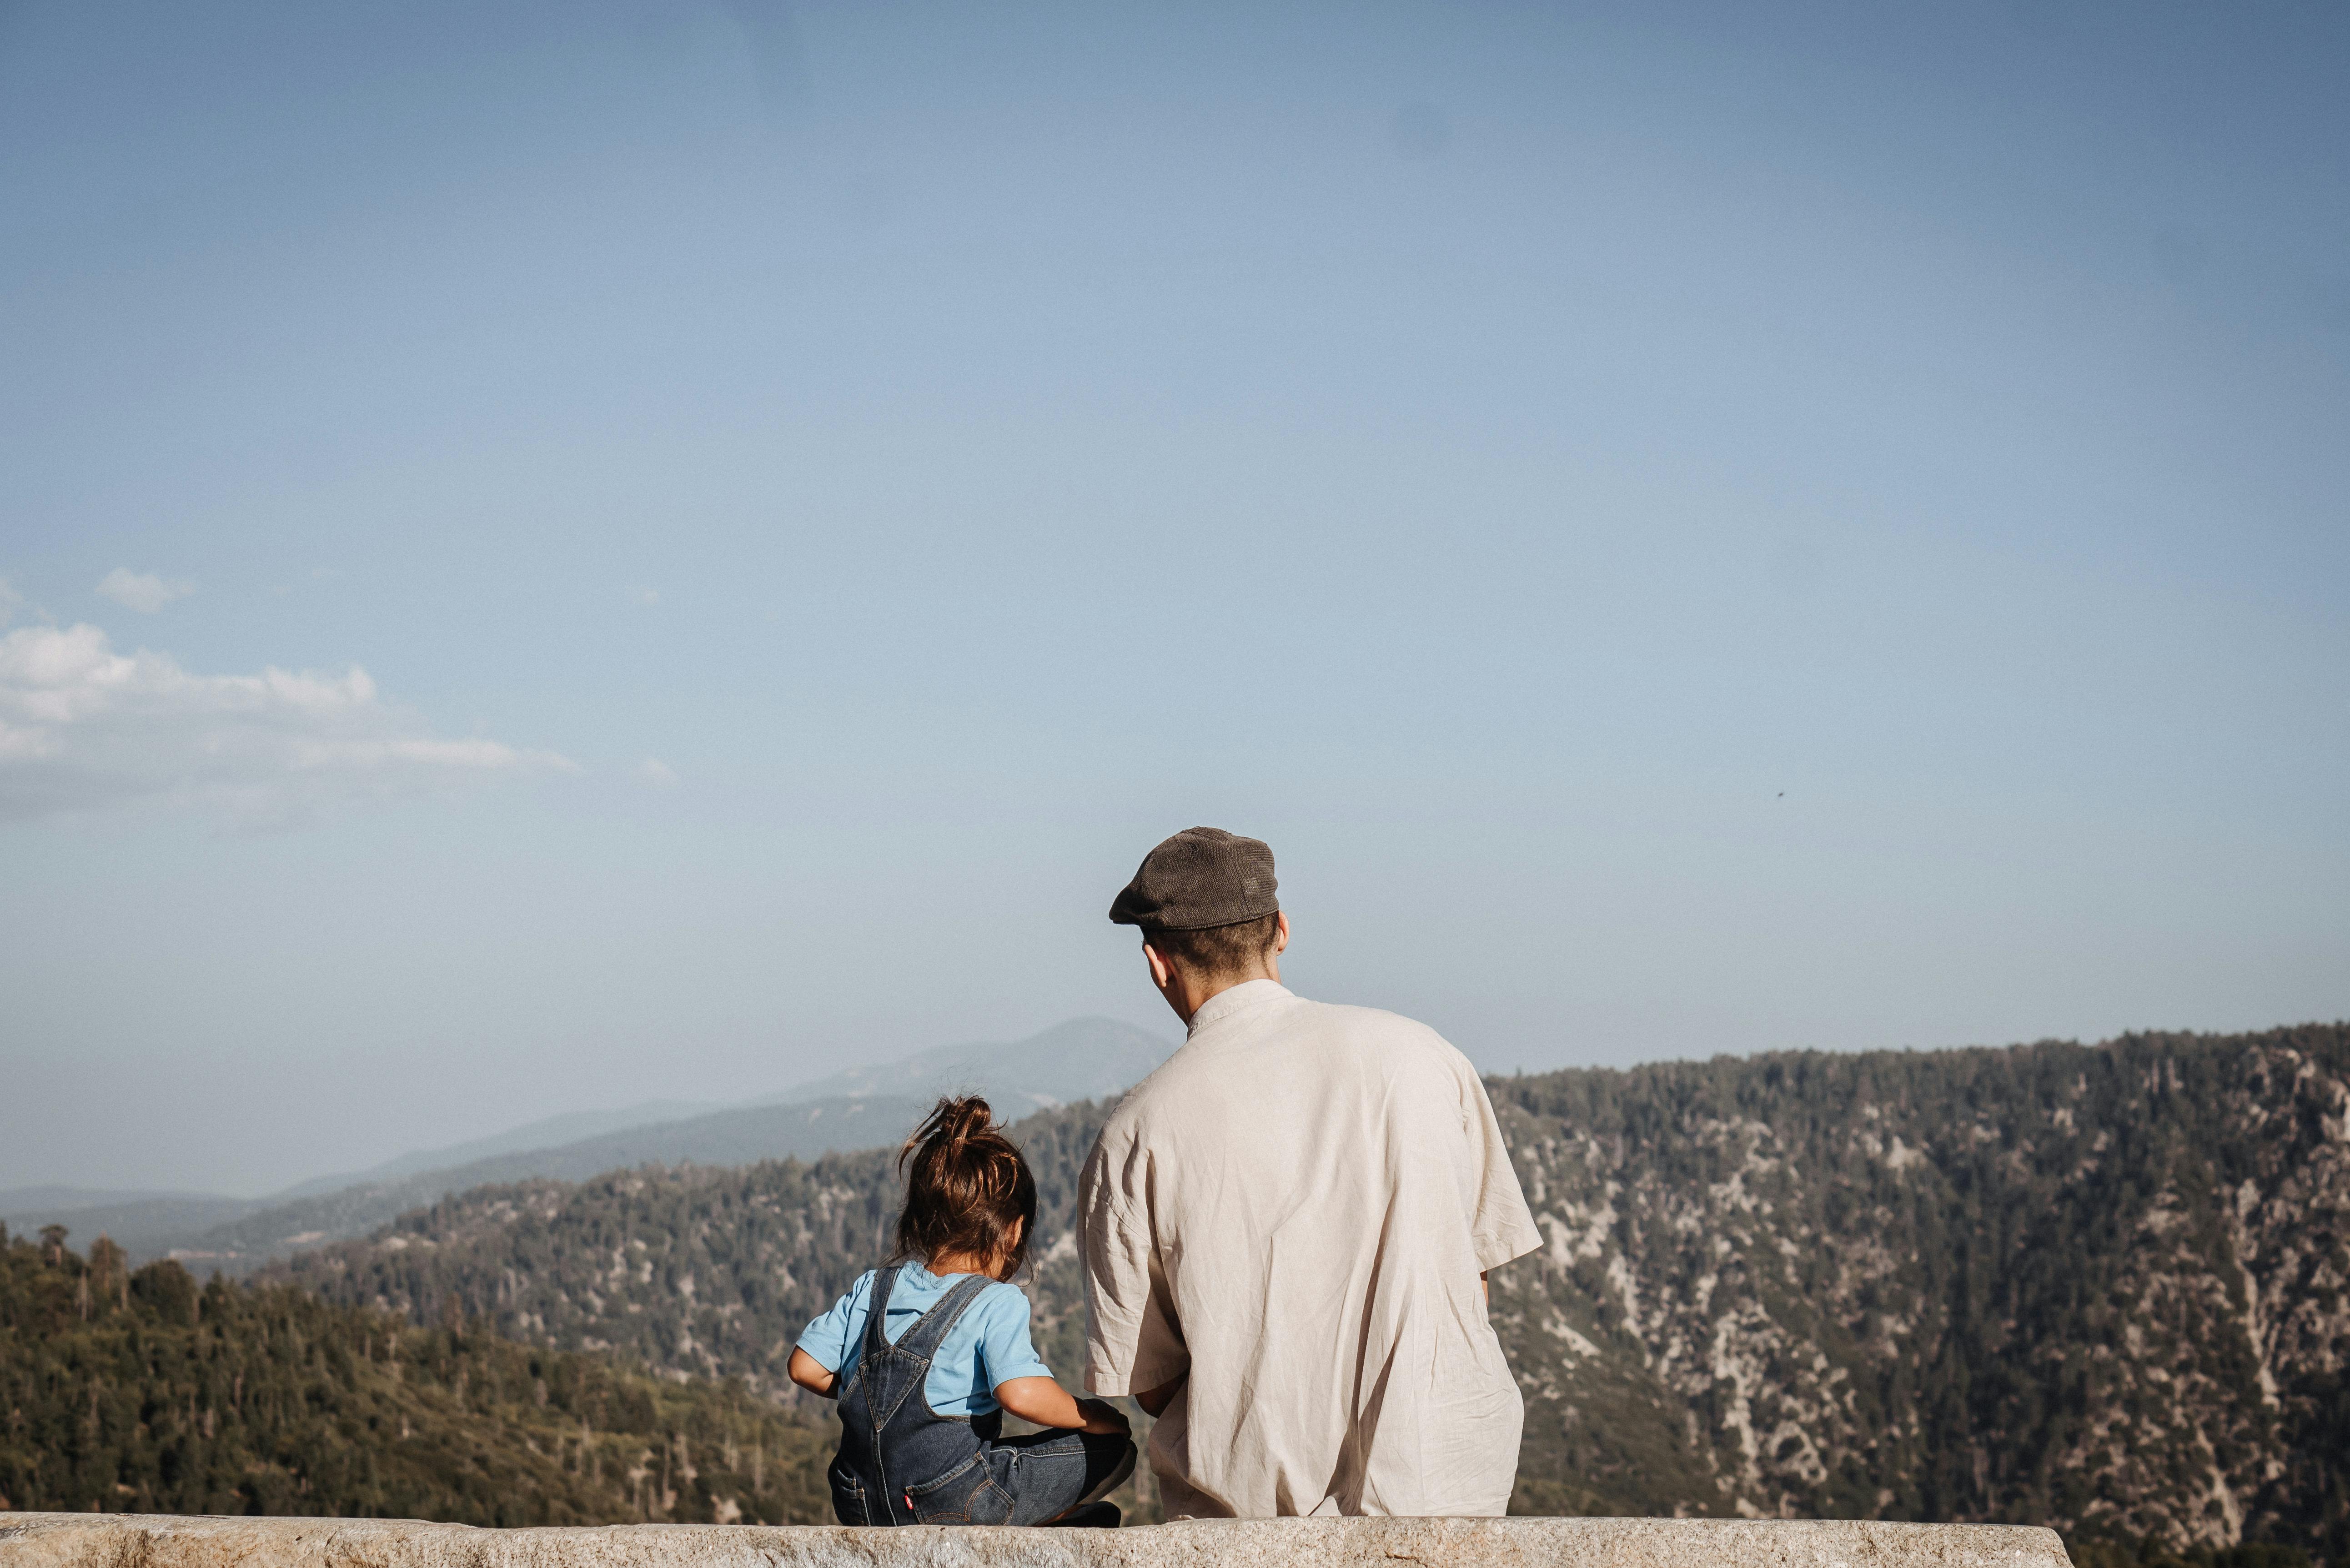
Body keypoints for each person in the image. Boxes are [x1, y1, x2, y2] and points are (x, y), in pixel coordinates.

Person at [1078, 827, 1542, 1518]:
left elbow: (1149, 1383)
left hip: (1251, 1527)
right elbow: (1470, 1281)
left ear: (1158, 963)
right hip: (1446, 1504)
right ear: (1282, 932)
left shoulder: (1136, 1133)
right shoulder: (1425, 1058)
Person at [790, 1096, 1137, 1526]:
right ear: (1013, 1231)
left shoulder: (873, 1286)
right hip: (952, 1502)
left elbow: (805, 1368)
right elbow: (1021, 1394)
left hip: (858, 1501)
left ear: (919, 1219)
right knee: (1114, 1450)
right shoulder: (995, 1300)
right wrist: (1093, 1417)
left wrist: (866, 1387)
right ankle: (1037, 1526)